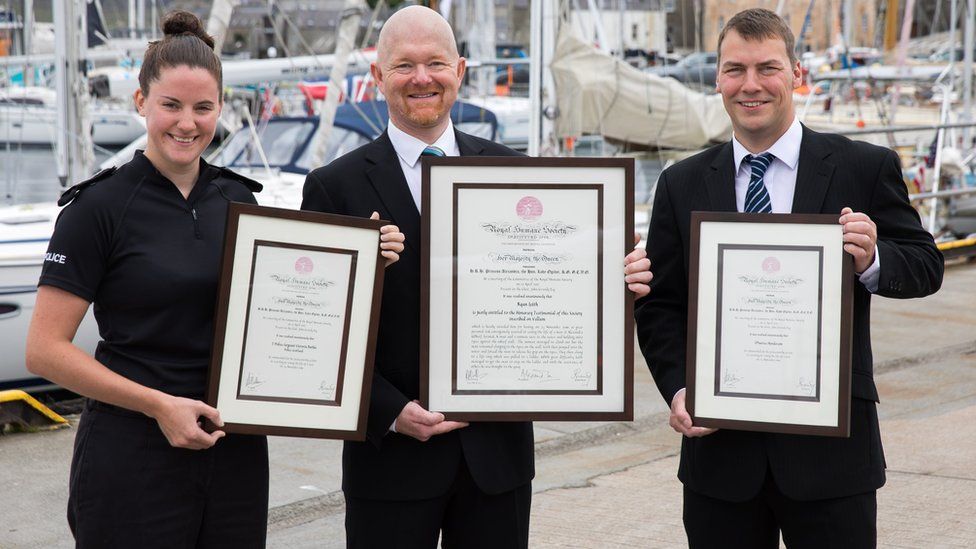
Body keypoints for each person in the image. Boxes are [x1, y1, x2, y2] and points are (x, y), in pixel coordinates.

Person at [24, 11, 403, 548]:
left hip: (235, 449)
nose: (187, 123)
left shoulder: (239, 200)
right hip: (133, 447)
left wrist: (362, 261)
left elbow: (287, 307)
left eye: (203, 108)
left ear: (221, 108)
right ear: (140, 103)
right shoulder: (98, 209)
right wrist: (160, 406)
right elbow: (44, 351)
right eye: (170, 105)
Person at [301, 6, 652, 548]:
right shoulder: (334, 188)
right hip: (390, 463)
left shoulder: (515, 170)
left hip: (497, 462)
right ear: (377, 76)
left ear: (460, 70)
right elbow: (319, 330)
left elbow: (555, 286)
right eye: (404, 66)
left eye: (436, 63)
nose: (422, 78)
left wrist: (614, 277)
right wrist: (388, 412)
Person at [635, 8, 943, 548]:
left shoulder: (863, 166)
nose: (750, 85)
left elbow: (925, 265)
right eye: (734, 69)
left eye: (767, 68)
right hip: (720, 459)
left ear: (797, 75)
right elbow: (661, 306)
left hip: (832, 457)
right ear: (717, 79)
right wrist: (681, 388)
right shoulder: (681, 183)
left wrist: (872, 260)